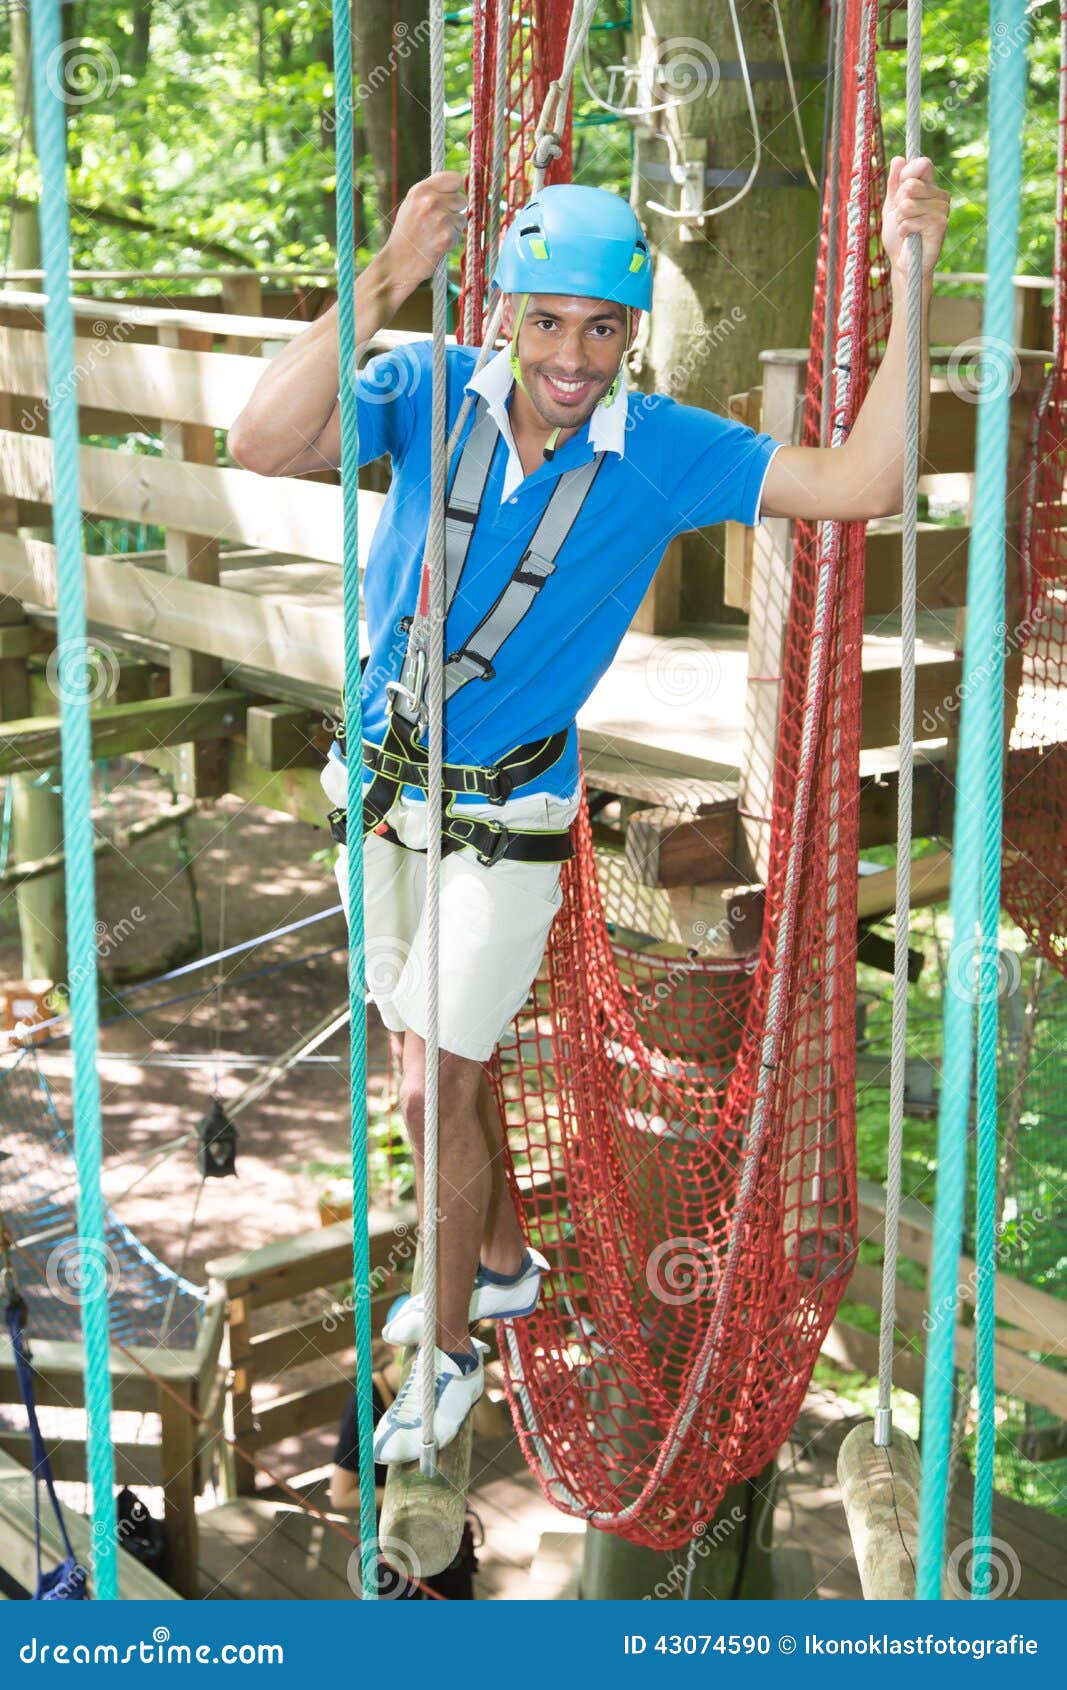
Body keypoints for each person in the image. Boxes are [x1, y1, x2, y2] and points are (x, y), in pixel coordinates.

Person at [228, 159, 950, 1463]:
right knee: (423, 1069)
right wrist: (389, 274)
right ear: (508, 312)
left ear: (631, 336)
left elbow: (863, 484)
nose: (572, 356)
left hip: (504, 823)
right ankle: (505, 1262)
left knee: (438, 1081)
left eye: (602, 328)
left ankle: (451, 1352)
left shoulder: (662, 450)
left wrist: (912, 271)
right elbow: (261, 441)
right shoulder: (429, 387)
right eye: (549, 320)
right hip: (379, 793)